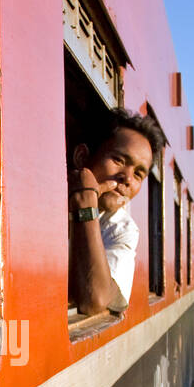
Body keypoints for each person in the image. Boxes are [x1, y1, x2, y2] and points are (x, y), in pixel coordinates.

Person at [67, 107, 166, 316]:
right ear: (82, 157)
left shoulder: (122, 229)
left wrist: (86, 206)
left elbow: (95, 299)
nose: (128, 179)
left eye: (138, 174)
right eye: (119, 160)